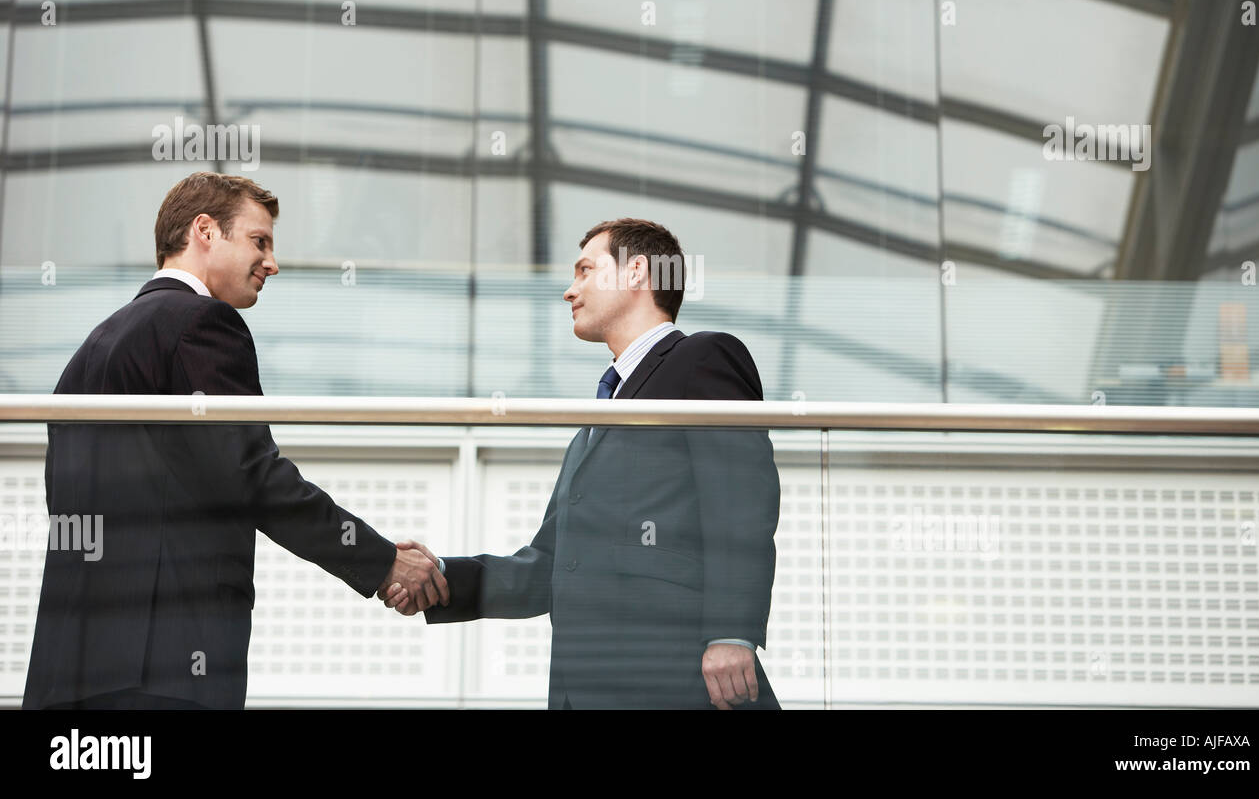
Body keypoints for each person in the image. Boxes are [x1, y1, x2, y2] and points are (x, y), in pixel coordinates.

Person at [22, 171, 447, 710]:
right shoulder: (199, 323)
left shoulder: (94, 347)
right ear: (205, 231)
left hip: (70, 670)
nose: (272, 262)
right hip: (165, 670)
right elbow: (252, 475)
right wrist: (382, 560)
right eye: (259, 241)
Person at [386, 218, 781, 709]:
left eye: (585, 271)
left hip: (676, 677)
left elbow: (742, 503)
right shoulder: (593, 427)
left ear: (637, 271)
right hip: (587, 689)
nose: (569, 292)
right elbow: (550, 566)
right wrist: (441, 577)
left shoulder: (703, 358)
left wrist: (731, 632)